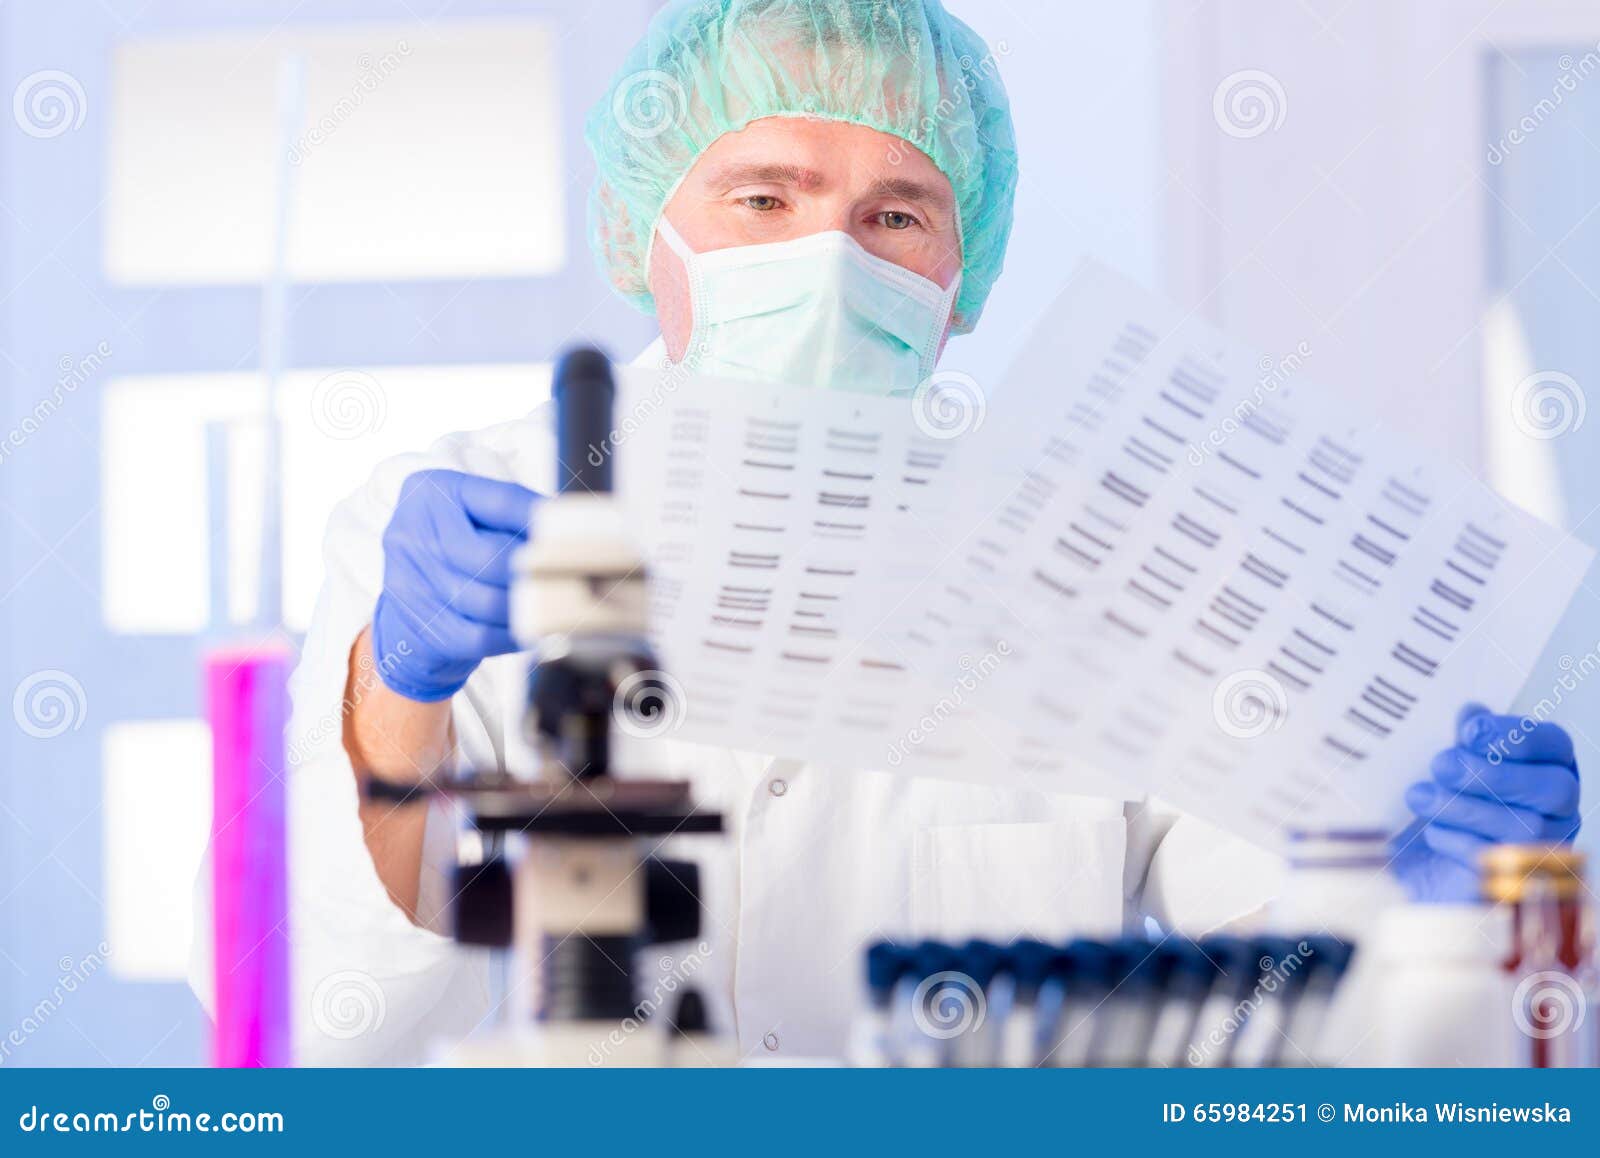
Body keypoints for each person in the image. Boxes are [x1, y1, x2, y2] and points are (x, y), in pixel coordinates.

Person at [190, 0, 1581, 1064]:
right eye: (762, 198)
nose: (831, 259)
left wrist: (1425, 907)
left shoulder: (1104, 557)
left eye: (896, 213)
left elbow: (1286, 1007)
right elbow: (309, 1024)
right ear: (644, 229)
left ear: (962, 273)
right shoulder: (467, 511)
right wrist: (402, 689)